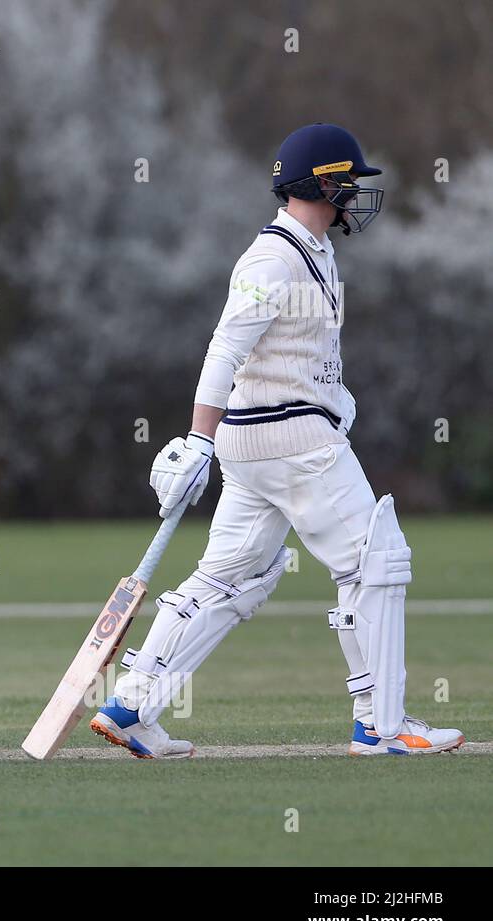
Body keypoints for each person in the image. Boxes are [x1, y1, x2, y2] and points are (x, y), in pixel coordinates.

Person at [90, 123, 462, 758]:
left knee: (231, 578)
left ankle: (131, 705)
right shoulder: (273, 257)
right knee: (376, 559)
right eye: (349, 183)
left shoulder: (312, 247)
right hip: (292, 441)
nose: (357, 195)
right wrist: (196, 440)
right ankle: (380, 724)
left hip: (262, 445)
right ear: (322, 183)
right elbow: (226, 345)